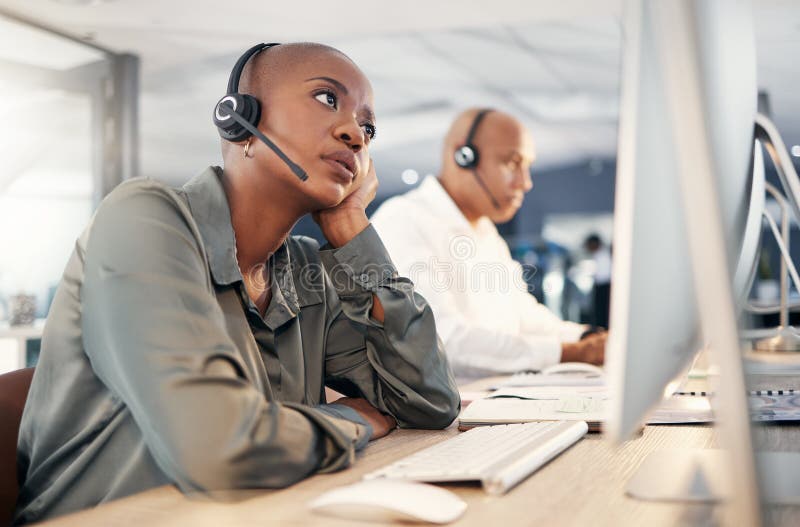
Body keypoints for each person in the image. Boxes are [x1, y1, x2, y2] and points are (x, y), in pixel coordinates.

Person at [14, 43, 459, 525]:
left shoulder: (304, 271)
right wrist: (353, 420)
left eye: (368, 127)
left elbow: (429, 402)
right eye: (328, 99)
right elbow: (219, 449)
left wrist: (353, 226)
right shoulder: (143, 219)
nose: (356, 134)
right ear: (238, 121)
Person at [370, 108, 606, 379]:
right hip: (438, 417)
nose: (525, 182)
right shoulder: (404, 219)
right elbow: (440, 339)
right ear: (463, 156)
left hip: (493, 403)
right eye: (513, 163)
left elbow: (523, 316)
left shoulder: (486, 233)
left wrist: (588, 338)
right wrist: (570, 353)